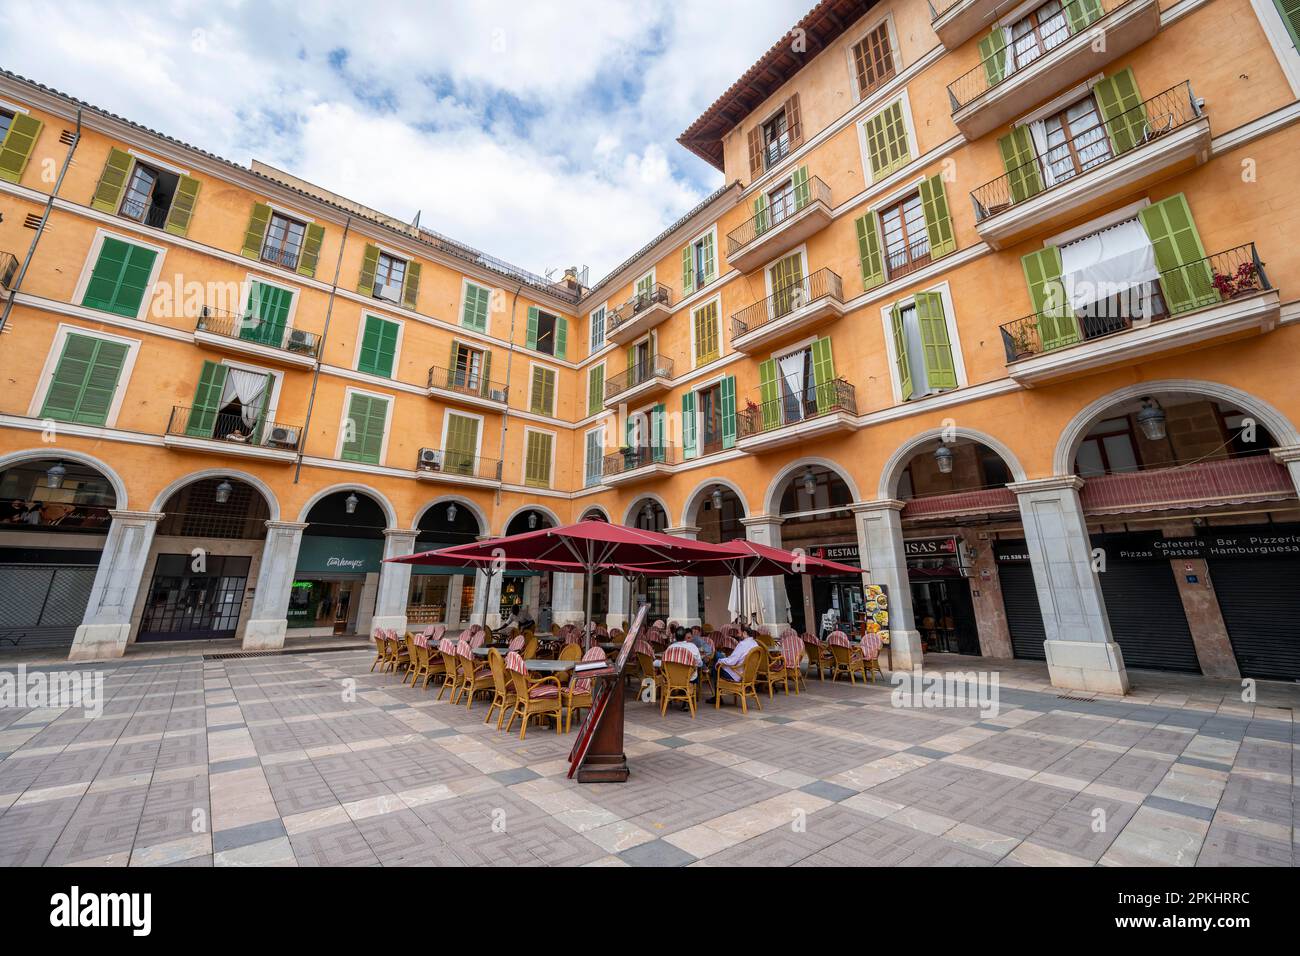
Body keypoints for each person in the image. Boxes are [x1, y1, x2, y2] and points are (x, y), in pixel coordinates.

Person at [709, 630, 759, 702]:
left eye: (739, 632)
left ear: (744, 633)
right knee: (718, 658)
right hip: (748, 675)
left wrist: (720, 661)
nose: (737, 635)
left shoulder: (742, 644)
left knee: (716, 665)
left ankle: (717, 698)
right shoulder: (755, 644)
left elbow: (732, 661)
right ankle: (717, 697)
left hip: (737, 675)